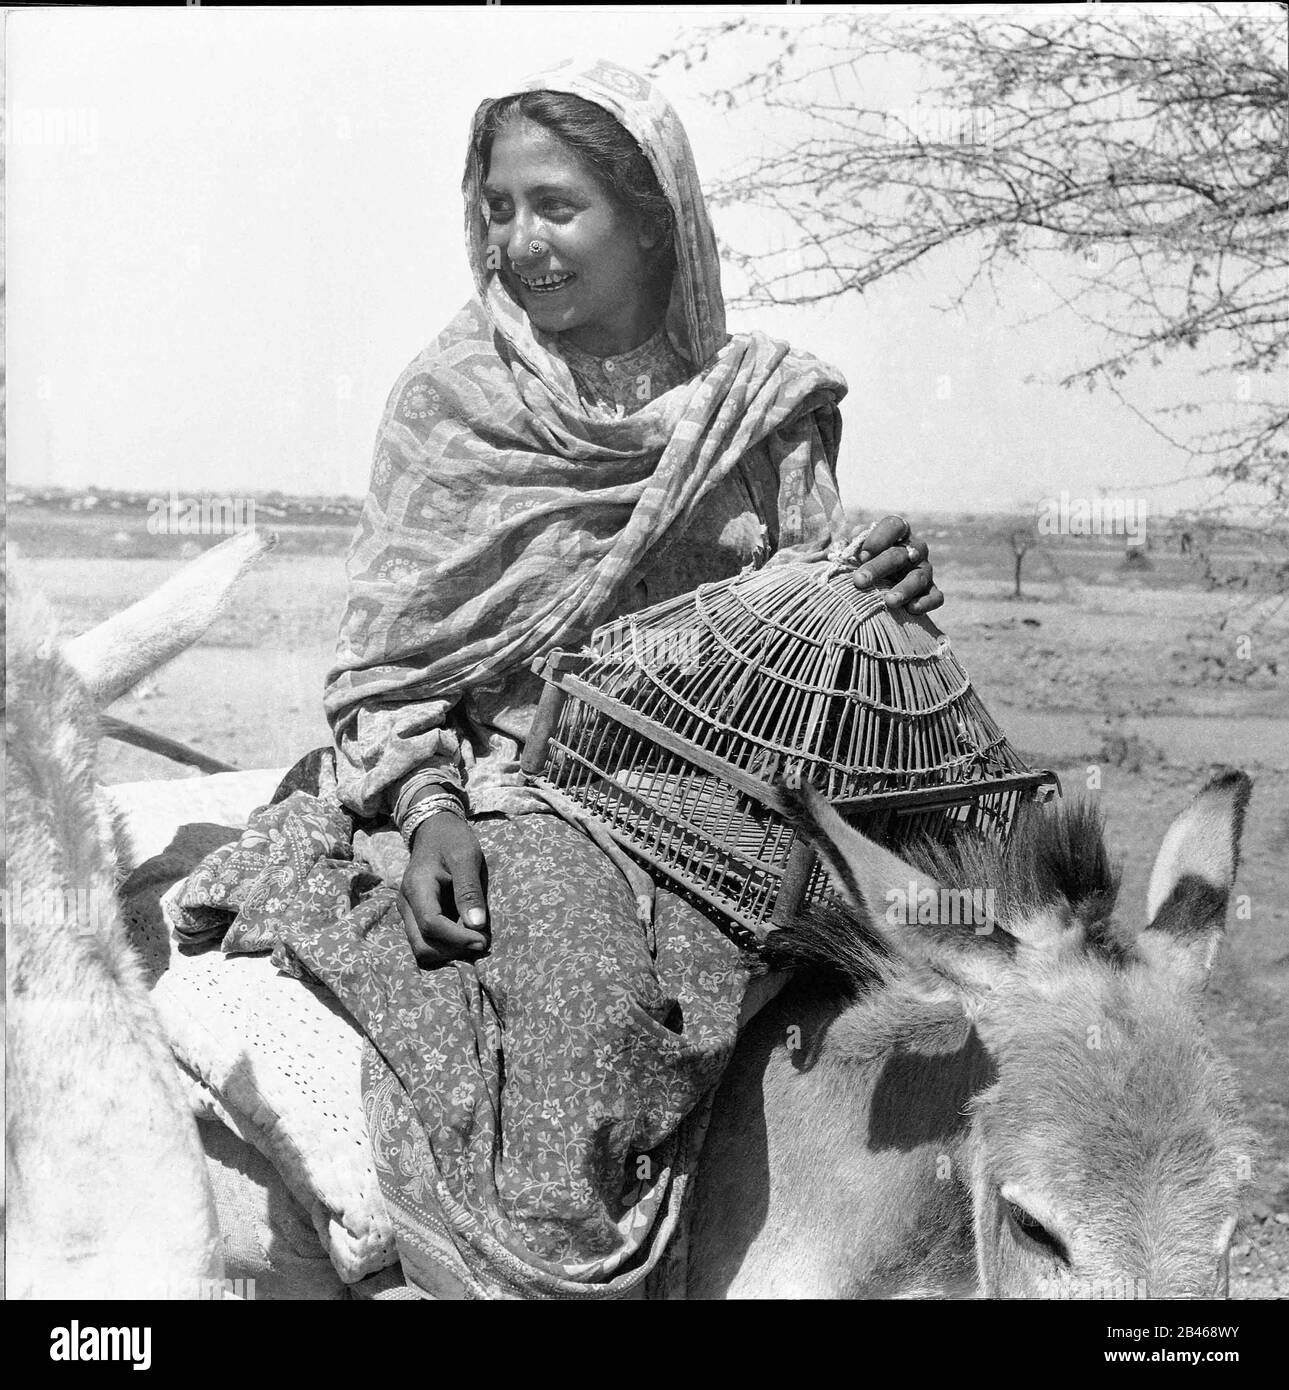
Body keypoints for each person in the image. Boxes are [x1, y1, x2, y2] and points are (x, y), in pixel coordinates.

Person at [177, 57, 945, 1298]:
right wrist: (426, 812)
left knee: (944, 1018)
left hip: (740, 812)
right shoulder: (451, 401)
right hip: (524, 793)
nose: (518, 240)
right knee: (574, 1076)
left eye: (557, 205)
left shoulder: (756, 409)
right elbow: (392, 656)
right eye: (496, 205)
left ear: (652, 221)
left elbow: (813, 628)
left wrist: (874, 584)